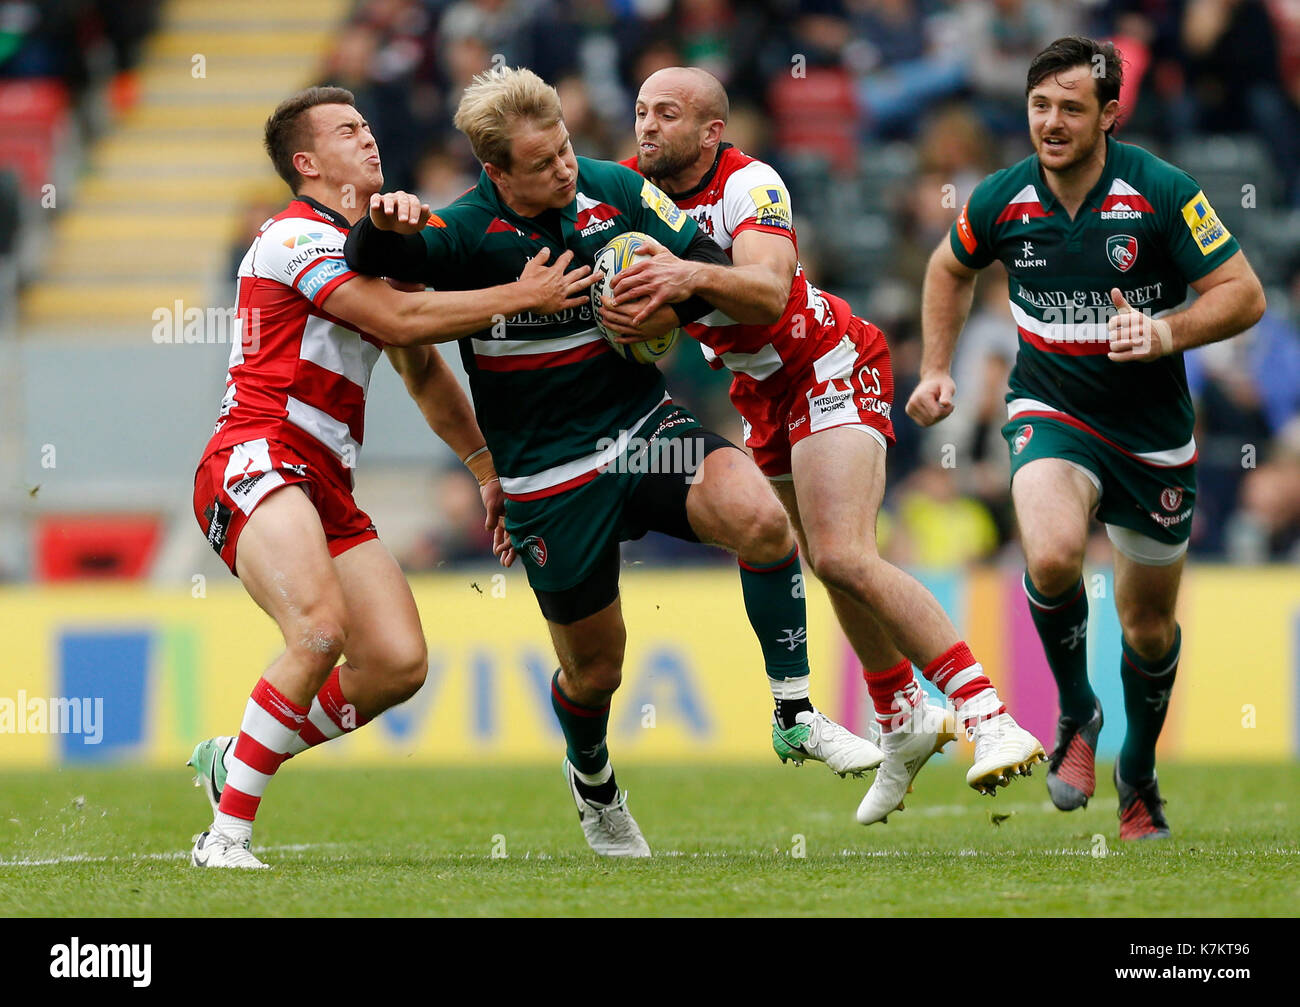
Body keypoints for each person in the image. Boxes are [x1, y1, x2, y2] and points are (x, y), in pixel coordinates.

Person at [344, 66, 881, 858]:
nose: (567, 169)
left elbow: (710, 276)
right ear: (497, 173)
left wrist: (666, 300)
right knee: (597, 672)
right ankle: (592, 778)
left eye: (565, 147)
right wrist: (380, 224)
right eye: (544, 163)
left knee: (764, 522)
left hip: (642, 430)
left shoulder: (615, 193)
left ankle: (794, 713)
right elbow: (374, 268)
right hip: (547, 479)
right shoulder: (463, 235)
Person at [604, 66, 1046, 827]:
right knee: (823, 557)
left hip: (829, 362)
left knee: (843, 553)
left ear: (712, 130)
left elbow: (770, 291)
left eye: (667, 114)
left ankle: (986, 712)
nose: (647, 125)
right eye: (642, 110)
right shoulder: (629, 199)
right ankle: (899, 713)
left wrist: (682, 275)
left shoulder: (751, 183)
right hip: (760, 391)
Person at [186, 85, 597, 868]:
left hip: (325, 479)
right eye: (347, 131)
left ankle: (232, 758)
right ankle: (225, 835)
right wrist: (525, 294)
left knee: (397, 663)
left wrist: (484, 467)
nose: (369, 139)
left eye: (369, 125)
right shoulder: (294, 234)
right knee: (317, 629)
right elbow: (401, 322)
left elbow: (422, 369)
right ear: (307, 163)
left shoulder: (370, 246)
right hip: (255, 452)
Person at [908, 36, 1266, 839]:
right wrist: (936, 368)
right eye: (1040, 106)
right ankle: (1076, 711)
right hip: (1051, 407)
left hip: (1151, 436)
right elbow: (946, 268)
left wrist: (1167, 332)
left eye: (1072, 107)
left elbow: (1244, 295)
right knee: (1055, 553)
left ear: (1109, 113)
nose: (1052, 122)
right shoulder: (1003, 198)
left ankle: (1136, 770)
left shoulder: (1159, 192)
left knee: (1146, 627)